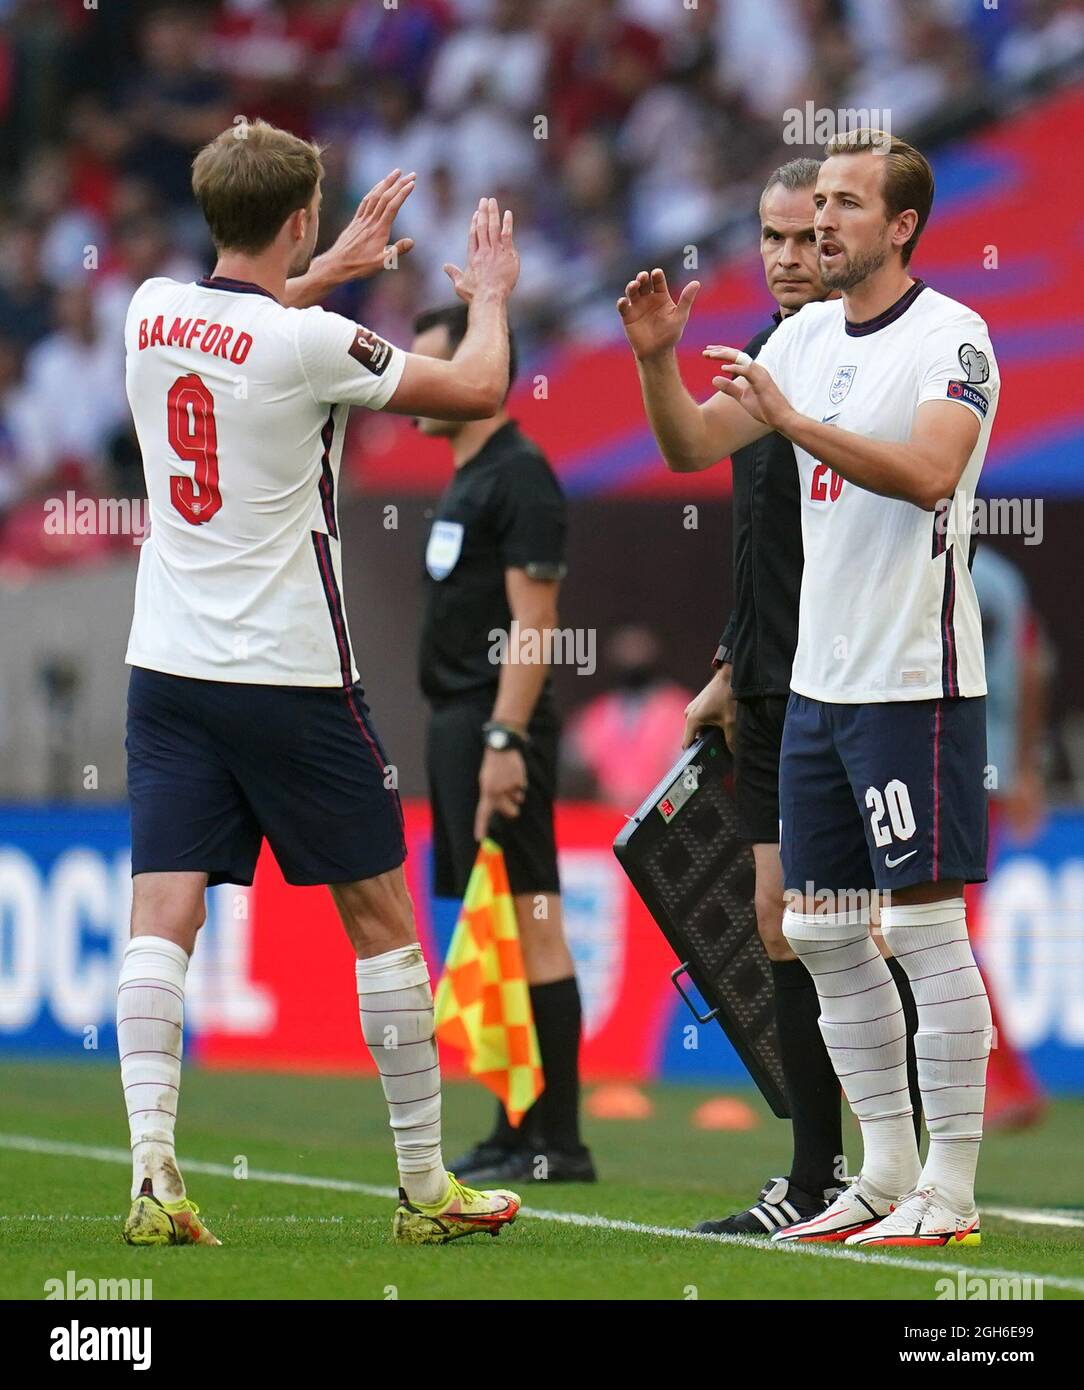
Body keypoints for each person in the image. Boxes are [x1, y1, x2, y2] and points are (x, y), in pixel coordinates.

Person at [119, 117, 524, 1248]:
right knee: (380, 916)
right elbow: (475, 386)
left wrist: (325, 267)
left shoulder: (148, 310)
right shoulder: (311, 344)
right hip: (290, 671)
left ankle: (154, 1168)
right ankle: (425, 1191)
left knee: (162, 910)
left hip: (166, 667)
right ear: (298, 216)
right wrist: (489, 291)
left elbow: (242, 326)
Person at [623, 127, 999, 1248]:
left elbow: (932, 473)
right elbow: (693, 442)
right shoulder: (798, 333)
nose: (821, 221)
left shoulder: (953, 337)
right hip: (817, 688)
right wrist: (653, 359)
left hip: (908, 676)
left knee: (923, 931)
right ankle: (878, 1173)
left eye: (844, 203)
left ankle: (954, 1188)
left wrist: (795, 423)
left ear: (900, 226)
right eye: (814, 201)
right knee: (820, 929)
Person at [412, 301, 595, 1185]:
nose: (416, 376)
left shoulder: (521, 476)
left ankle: (560, 1141)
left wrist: (503, 738)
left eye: (432, 361)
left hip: (499, 724)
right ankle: (514, 1126)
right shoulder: (465, 475)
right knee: (496, 927)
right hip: (459, 724)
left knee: (534, 921)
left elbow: (537, 623)